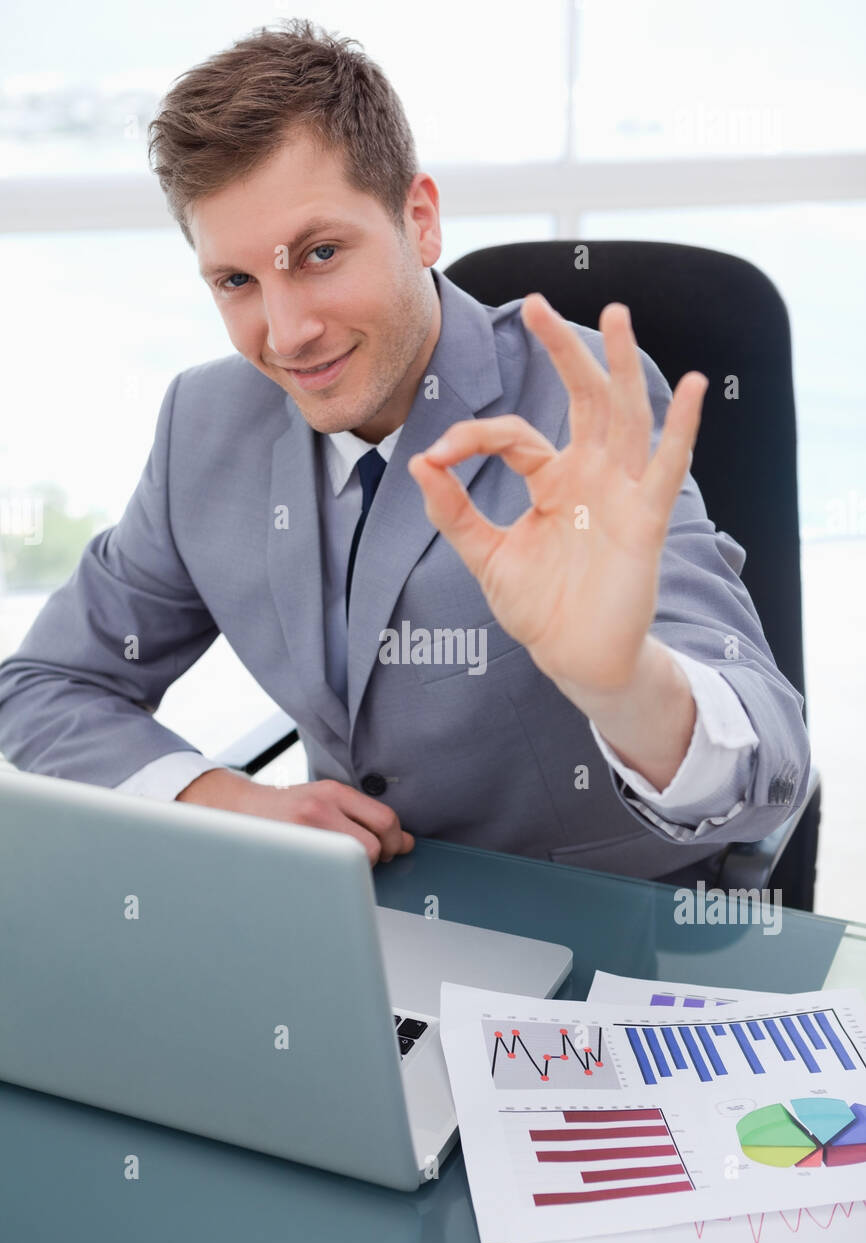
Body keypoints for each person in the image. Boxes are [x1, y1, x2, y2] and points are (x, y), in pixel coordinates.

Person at [0, 19, 810, 888]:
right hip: (359, 932)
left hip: (608, 935)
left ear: (418, 221)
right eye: (236, 281)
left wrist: (624, 683)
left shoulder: (580, 406)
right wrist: (224, 798)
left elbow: (774, 765)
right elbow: (45, 686)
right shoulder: (204, 423)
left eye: (318, 254)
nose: (286, 333)